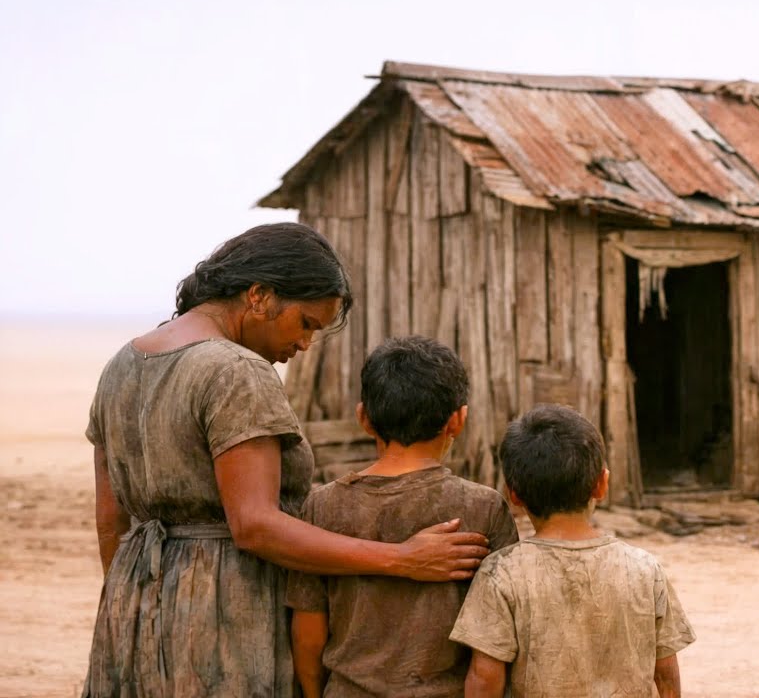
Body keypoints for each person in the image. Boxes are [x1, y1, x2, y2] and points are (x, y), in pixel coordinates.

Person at [82, 222, 490, 697]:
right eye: (306, 323)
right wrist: (401, 559)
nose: (305, 345)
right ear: (258, 296)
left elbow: (112, 520)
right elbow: (255, 525)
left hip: (129, 605)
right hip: (225, 614)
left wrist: (130, 610)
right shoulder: (237, 372)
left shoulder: (123, 364)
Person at [287, 336, 520, 698]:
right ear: (458, 420)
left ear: (363, 418)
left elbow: (308, 632)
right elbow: (496, 643)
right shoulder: (483, 507)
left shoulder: (322, 506)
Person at [450, 404, 696, 698]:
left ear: (513, 494)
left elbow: (484, 681)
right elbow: (666, 677)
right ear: (601, 485)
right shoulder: (644, 569)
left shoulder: (500, 574)